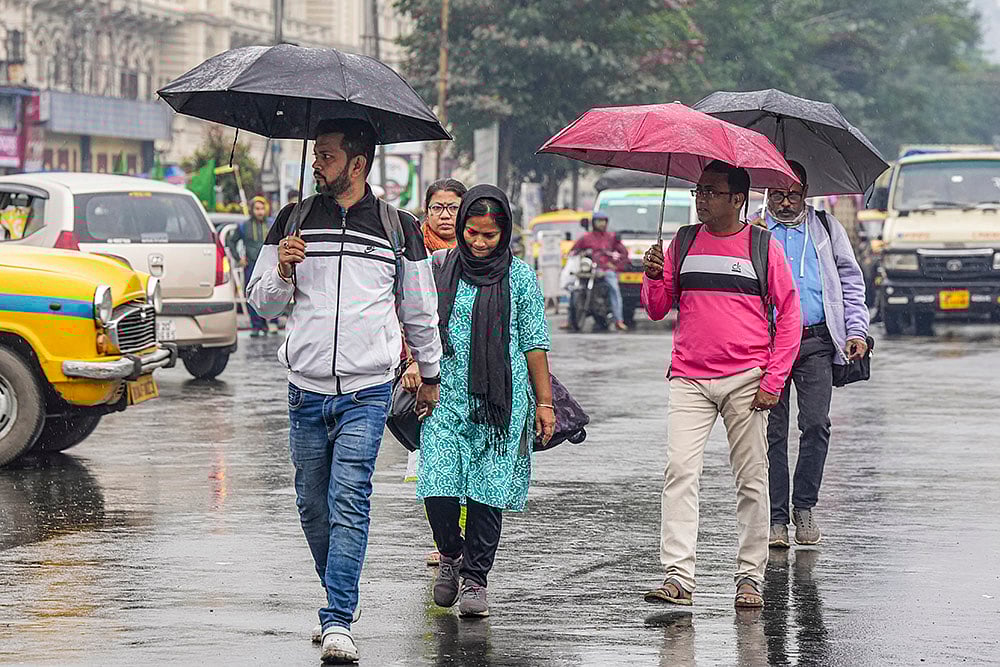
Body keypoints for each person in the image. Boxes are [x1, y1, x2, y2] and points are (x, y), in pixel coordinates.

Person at [246, 118, 442, 664]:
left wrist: (430, 375)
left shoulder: (399, 228)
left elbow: (419, 309)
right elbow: (261, 303)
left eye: (327, 156)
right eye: (316, 154)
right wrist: (281, 270)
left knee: (349, 498)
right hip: (304, 391)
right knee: (312, 505)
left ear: (358, 163)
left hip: (367, 390)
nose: (317, 163)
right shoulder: (293, 221)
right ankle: (338, 593)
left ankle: (337, 618)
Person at [640, 160, 802, 610]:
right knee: (679, 472)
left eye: (711, 191)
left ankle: (750, 577)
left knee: (751, 479)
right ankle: (678, 577)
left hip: (747, 380)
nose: (702, 199)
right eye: (699, 191)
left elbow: (790, 315)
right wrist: (652, 277)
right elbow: (657, 308)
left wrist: (774, 379)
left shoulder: (763, 247)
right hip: (689, 376)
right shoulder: (683, 241)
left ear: (738, 199)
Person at [417, 184, 555, 619]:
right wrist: (413, 366)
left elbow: (534, 342)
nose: (478, 243)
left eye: (489, 236)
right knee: (437, 485)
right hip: (444, 395)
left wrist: (545, 403)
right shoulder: (441, 268)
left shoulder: (520, 278)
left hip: (500, 403)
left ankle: (476, 578)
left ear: (504, 233)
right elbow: (417, 322)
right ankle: (450, 554)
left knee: (486, 492)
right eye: (471, 233)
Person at [753, 161, 870, 548]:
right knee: (772, 432)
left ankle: (803, 507)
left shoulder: (826, 228)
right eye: (777, 194)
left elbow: (851, 280)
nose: (785, 202)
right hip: (767, 345)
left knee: (816, 425)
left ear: (806, 193)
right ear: (767, 194)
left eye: (793, 194)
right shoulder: (753, 230)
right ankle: (776, 519)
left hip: (816, 341)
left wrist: (856, 330)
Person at [399, 178, 468, 567]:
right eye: (437, 208)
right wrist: (414, 361)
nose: (445, 215)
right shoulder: (413, 252)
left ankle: (463, 541)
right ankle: (446, 542)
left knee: (466, 459)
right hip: (424, 371)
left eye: (453, 207)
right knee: (433, 460)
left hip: (466, 371)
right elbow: (406, 311)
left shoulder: (478, 252)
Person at [568, 210, 631, 331]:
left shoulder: (611, 237)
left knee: (614, 289)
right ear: (593, 223)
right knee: (573, 288)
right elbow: (573, 251)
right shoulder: (585, 238)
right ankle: (570, 320)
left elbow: (624, 253)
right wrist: (577, 255)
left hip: (605, 269)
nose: (601, 224)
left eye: (603, 221)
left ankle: (618, 320)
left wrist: (616, 266)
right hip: (588, 269)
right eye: (598, 221)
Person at [227, 195, 276, 336]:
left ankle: (272, 323)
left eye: (262, 208)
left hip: (270, 265)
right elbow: (231, 241)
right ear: (252, 210)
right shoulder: (244, 226)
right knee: (253, 295)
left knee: (273, 293)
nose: (260, 212)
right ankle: (256, 326)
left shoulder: (273, 224)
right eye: (257, 209)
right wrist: (239, 258)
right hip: (252, 265)